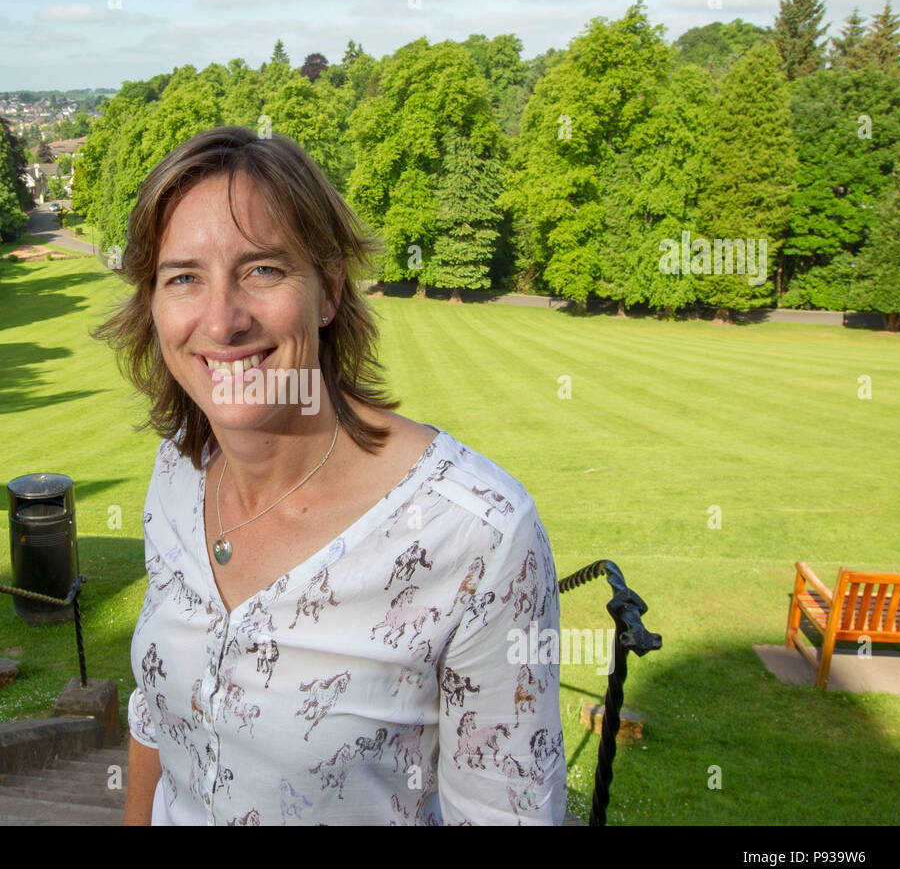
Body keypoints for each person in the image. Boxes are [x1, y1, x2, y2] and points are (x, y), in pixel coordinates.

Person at [89, 125, 565, 825]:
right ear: (152, 306)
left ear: (330, 291)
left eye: (263, 269)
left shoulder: (478, 538)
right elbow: (154, 710)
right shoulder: (177, 472)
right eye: (183, 277)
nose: (221, 320)